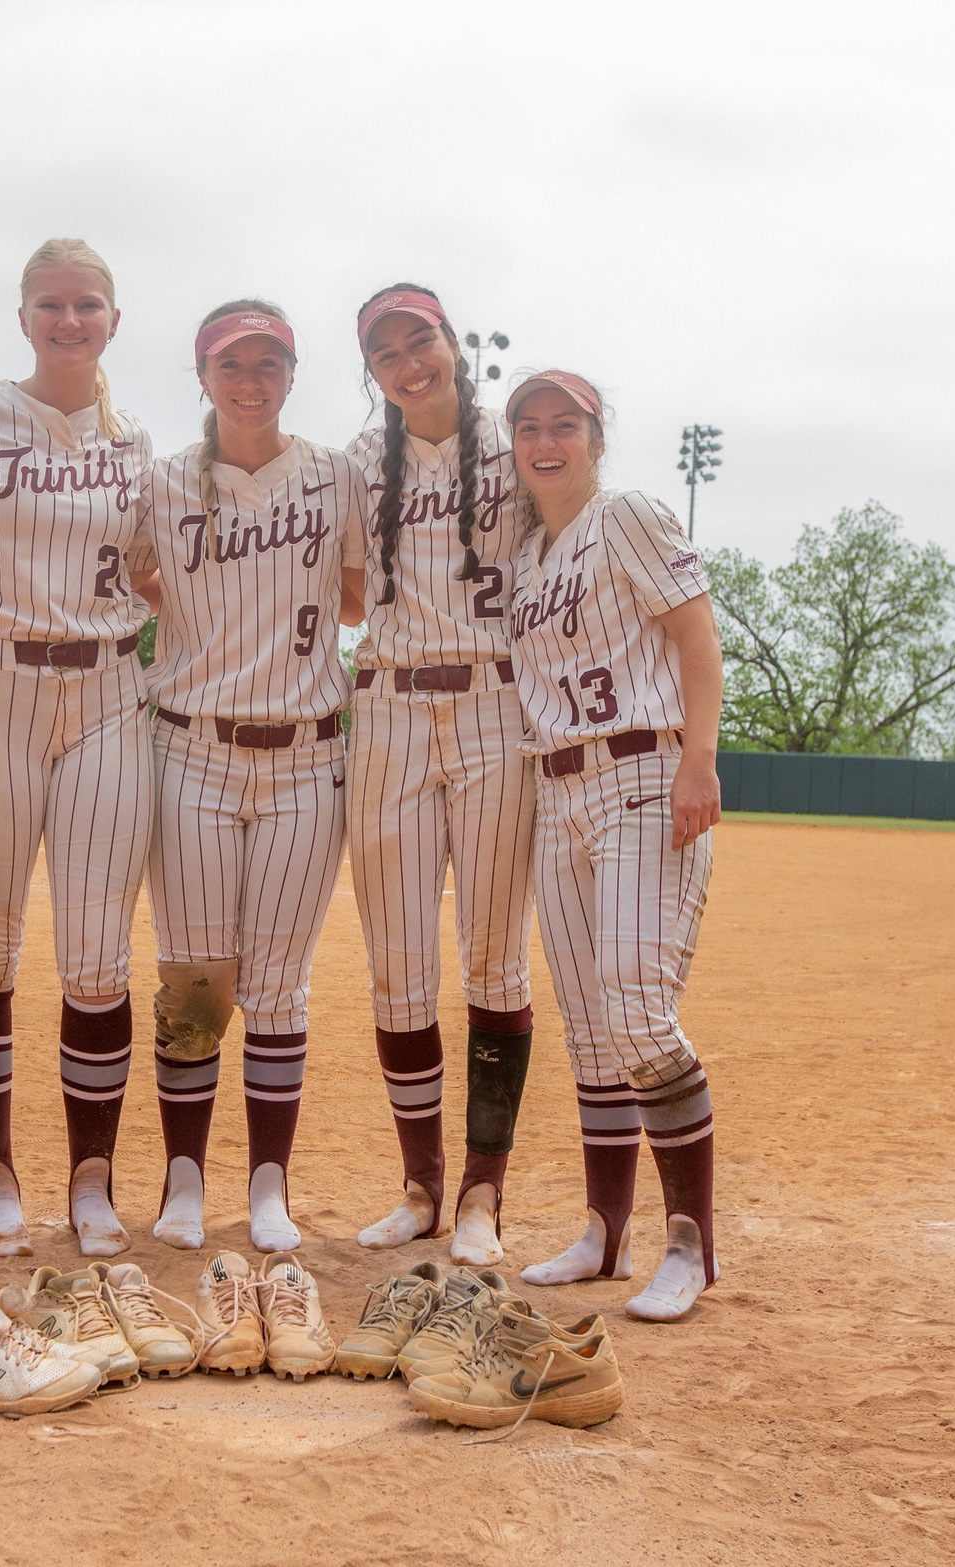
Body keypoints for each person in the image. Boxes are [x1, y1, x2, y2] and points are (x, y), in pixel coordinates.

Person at [0, 239, 157, 1259]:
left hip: (108, 687)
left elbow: (159, 567)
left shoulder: (135, 441)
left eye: (88, 305)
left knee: (99, 954)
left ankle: (93, 1182)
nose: (69, 321)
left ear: (113, 320)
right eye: (50, 305)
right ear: (21, 317)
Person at [128, 300, 367, 1253]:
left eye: (268, 363)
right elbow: (128, 573)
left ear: (290, 375)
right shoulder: (162, 482)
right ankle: (184, 1184)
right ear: (203, 377)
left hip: (308, 754)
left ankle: (267, 1188)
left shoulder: (332, 476)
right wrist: (188, 609)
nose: (250, 380)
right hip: (189, 745)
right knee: (194, 978)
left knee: (277, 984)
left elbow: (352, 595)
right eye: (232, 364)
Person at [500, 369, 724, 1321]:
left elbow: (695, 633)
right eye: (529, 427)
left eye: (566, 425)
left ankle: (689, 1246)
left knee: (635, 1012)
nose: (547, 441)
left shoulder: (626, 512)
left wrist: (699, 758)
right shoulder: (523, 557)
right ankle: (604, 1232)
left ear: (596, 436)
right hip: (558, 789)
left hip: (643, 771)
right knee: (591, 1029)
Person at [343, 285, 537, 1266]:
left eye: (416, 339)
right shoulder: (349, 468)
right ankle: (419, 1184)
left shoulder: (520, 445)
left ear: (450, 342)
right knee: (396, 962)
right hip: (382, 708)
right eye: (384, 351)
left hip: (495, 704)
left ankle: (481, 1192)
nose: (406, 362)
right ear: (371, 372)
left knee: (494, 957)